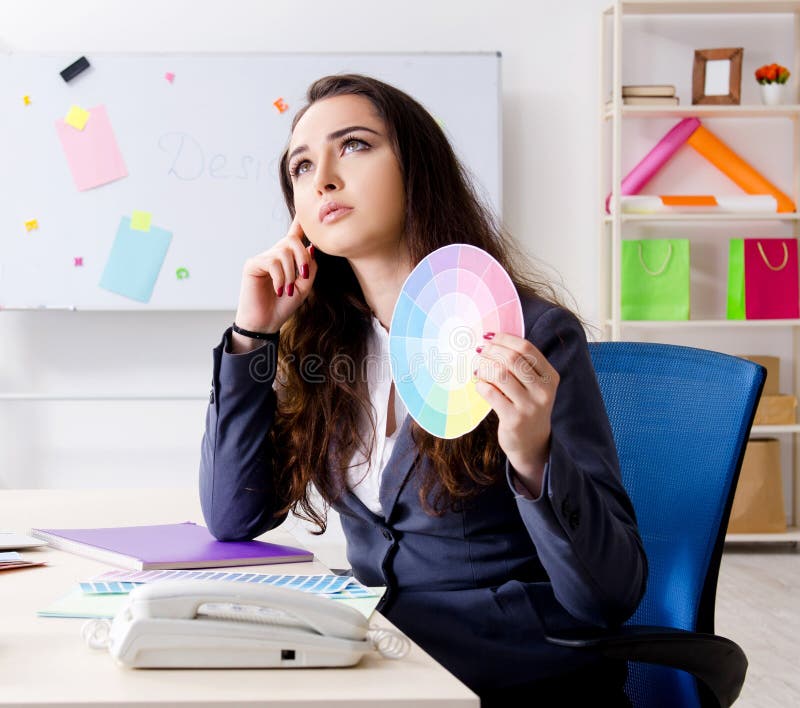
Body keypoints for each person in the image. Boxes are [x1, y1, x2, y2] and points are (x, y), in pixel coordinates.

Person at [200, 73, 647, 707]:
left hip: (512, 679)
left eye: (353, 146)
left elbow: (609, 595)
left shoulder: (534, 334)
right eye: (301, 166)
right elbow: (232, 517)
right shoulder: (327, 347)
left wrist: (534, 455)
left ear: (419, 168)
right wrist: (252, 338)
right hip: (378, 667)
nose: (322, 177)